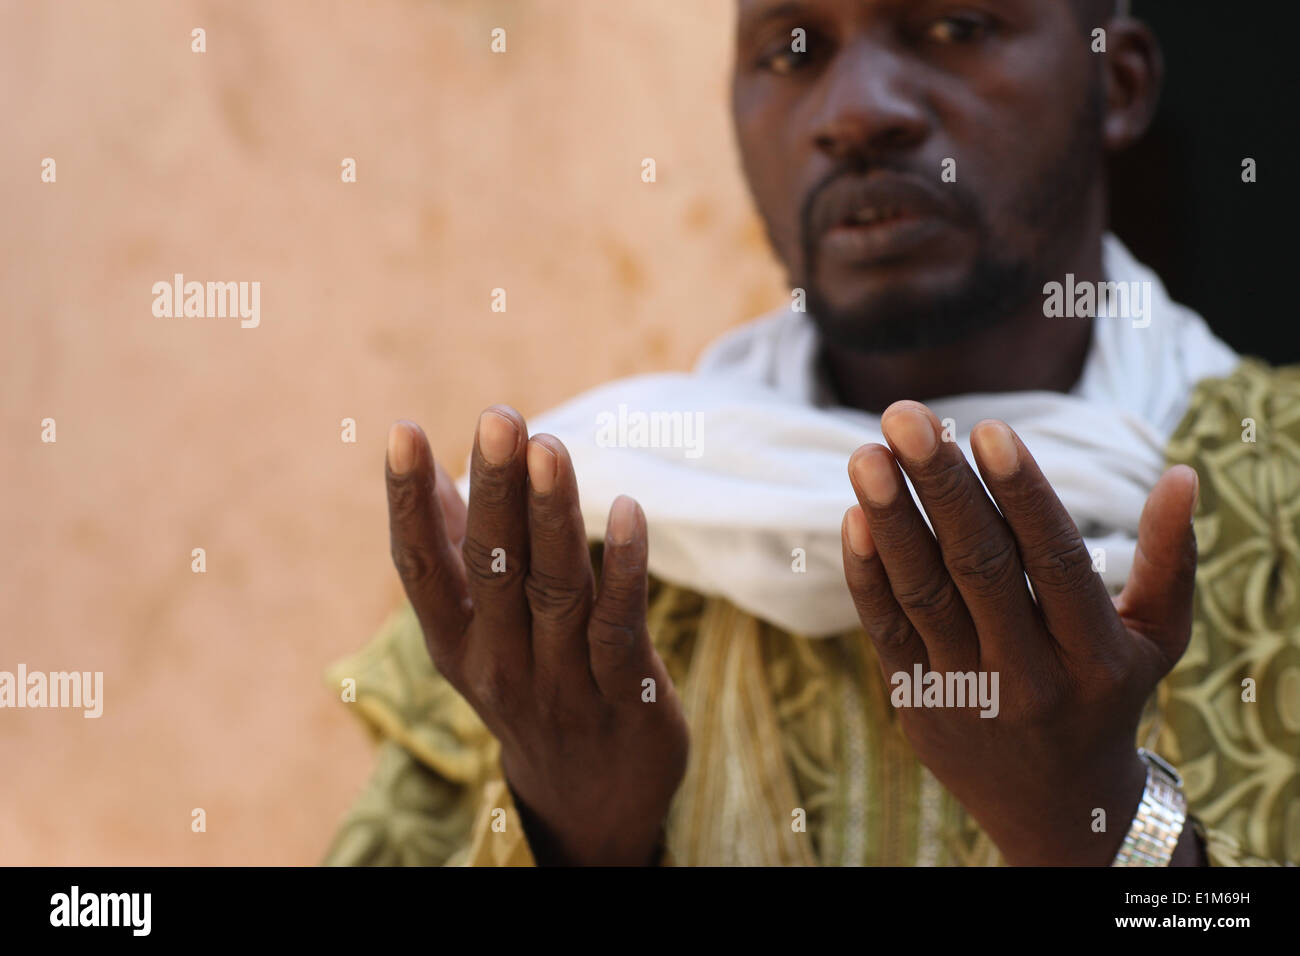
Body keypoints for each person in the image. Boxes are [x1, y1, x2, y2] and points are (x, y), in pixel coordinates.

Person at [322, 0, 1297, 866]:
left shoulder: (1278, 492)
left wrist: (1099, 828)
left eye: (955, 28)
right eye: (791, 49)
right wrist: (575, 828)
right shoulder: (571, 565)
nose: (858, 110)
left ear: (1115, 83)